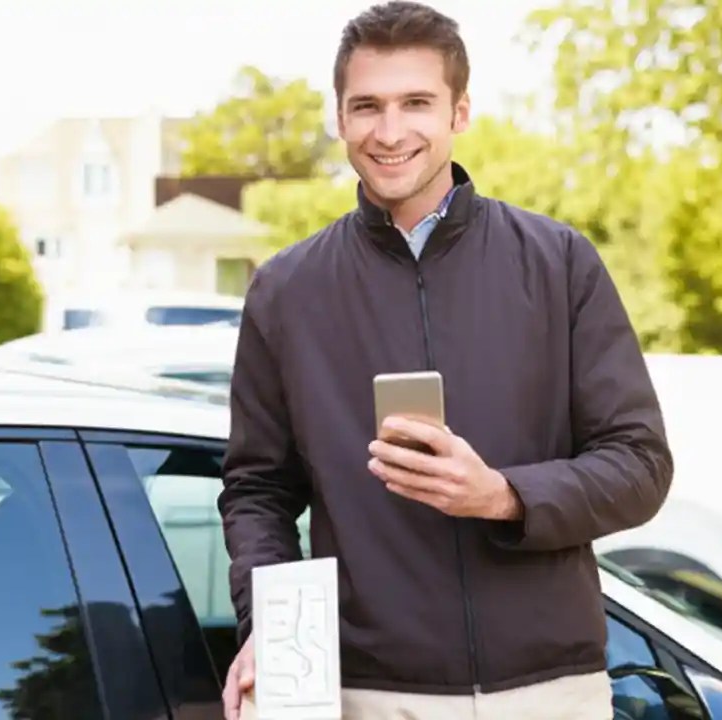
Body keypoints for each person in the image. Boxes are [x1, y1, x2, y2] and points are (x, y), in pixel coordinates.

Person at [217, 2, 674, 718]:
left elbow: (641, 466)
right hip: (371, 694)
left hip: (551, 693)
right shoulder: (286, 291)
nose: (390, 131)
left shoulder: (559, 264)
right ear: (339, 118)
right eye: (367, 106)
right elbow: (258, 492)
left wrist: (503, 495)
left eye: (416, 103)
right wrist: (272, 632)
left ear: (460, 112)